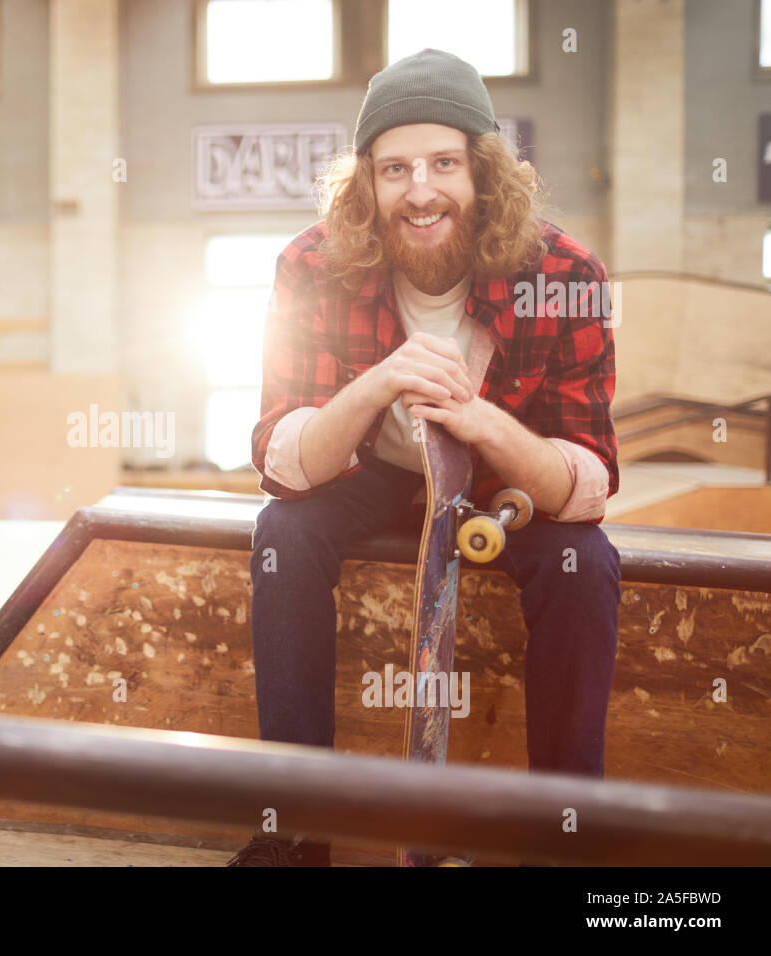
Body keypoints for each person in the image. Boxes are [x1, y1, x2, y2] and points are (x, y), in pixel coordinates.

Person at [230, 49, 621, 866]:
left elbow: (585, 484)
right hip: (371, 470)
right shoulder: (311, 264)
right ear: (365, 185)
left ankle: (566, 840)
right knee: (282, 533)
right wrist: (376, 386)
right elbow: (282, 458)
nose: (419, 190)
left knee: (584, 561)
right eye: (394, 168)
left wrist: (481, 423)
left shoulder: (568, 274)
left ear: (483, 173)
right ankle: (296, 835)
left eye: (444, 163)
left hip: (503, 477)